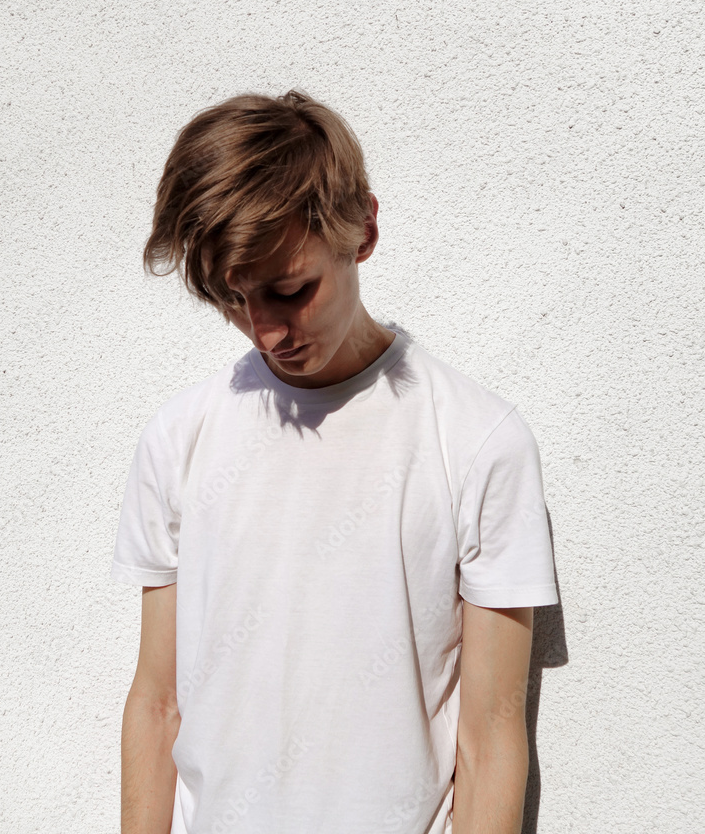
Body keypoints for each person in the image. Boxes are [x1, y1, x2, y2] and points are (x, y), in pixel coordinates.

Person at [110, 89, 559, 834]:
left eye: (290, 291)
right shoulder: (179, 437)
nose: (264, 331)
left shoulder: (478, 442)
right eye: (233, 298)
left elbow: (490, 741)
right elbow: (157, 705)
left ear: (364, 230)